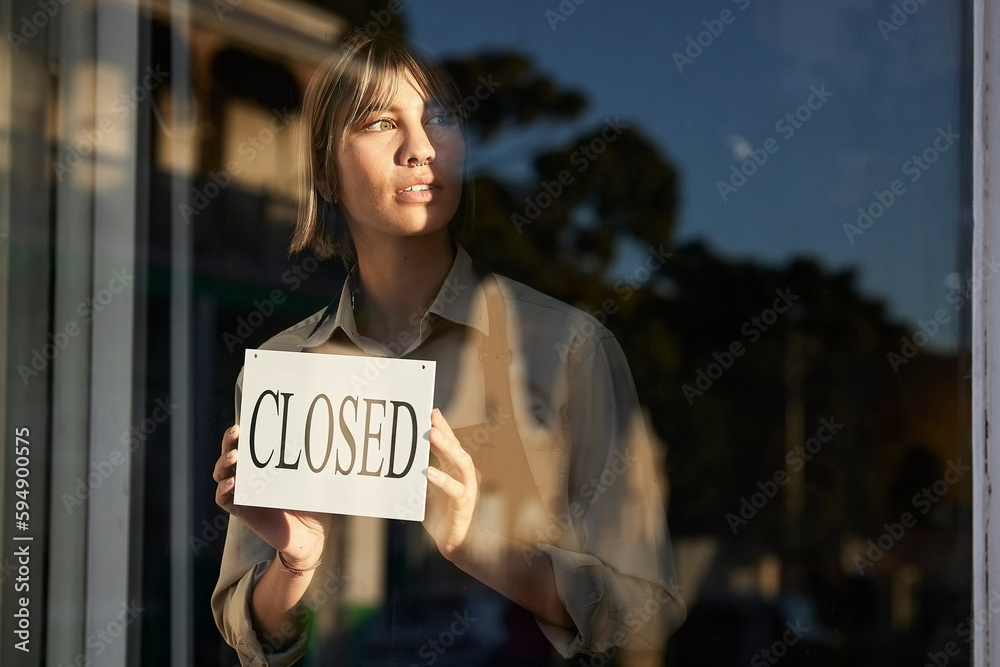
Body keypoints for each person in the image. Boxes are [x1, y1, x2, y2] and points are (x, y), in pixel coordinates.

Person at [212, 28, 685, 666]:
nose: (422, 148)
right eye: (381, 122)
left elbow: (645, 613)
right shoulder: (286, 370)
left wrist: (475, 545)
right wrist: (294, 563)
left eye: (439, 119)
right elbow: (253, 633)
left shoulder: (568, 349)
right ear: (325, 171)